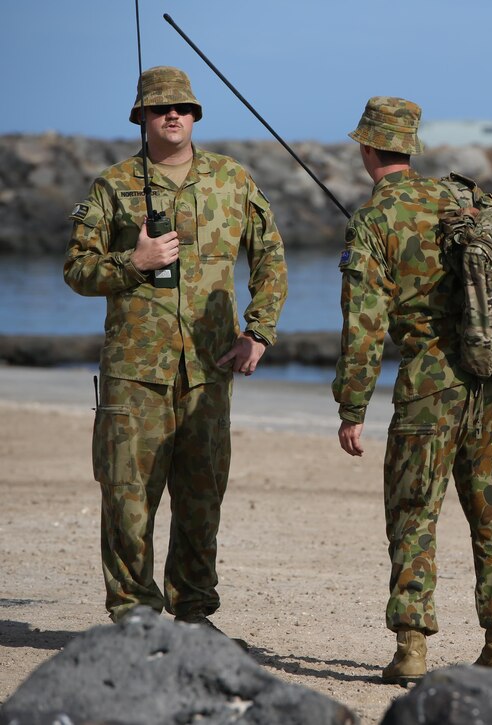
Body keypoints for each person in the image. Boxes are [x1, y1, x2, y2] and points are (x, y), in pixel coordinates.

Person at [63, 66, 288, 644]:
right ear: (141, 117)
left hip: (210, 370)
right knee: (127, 497)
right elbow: (76, 269)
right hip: (136, 374)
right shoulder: (114, 187)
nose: (173, 115)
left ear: (195, 116)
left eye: (183, 108)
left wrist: (258, 331)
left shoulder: (231, 180)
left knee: (201, 496)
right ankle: (135, 614)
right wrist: (131, 264)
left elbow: (271, 260)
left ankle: (193, 614)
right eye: (161, 108)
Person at [333, 97, 492, 684]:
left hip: (426, 387)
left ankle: (412, 648)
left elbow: (363, 326)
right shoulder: (461, 201)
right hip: (490, 381)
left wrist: (351, 407)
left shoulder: (372, 222)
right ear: (410, 147)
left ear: (367, 148)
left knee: (415, 513)